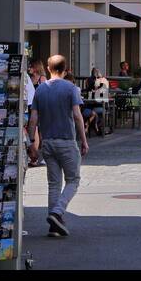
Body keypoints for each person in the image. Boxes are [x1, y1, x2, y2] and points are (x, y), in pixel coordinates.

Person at [27, 54, 88, 237]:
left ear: (48, 67)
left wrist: (32, 143)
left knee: (53, 184)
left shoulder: (40, 90)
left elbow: (33, 119)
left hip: (47, 143)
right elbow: (77, 116)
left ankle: (54, 226)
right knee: (73, 180)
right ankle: (57, 212)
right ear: (65, 68)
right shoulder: (71, 88)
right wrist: (84, 140)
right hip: (66, 141)